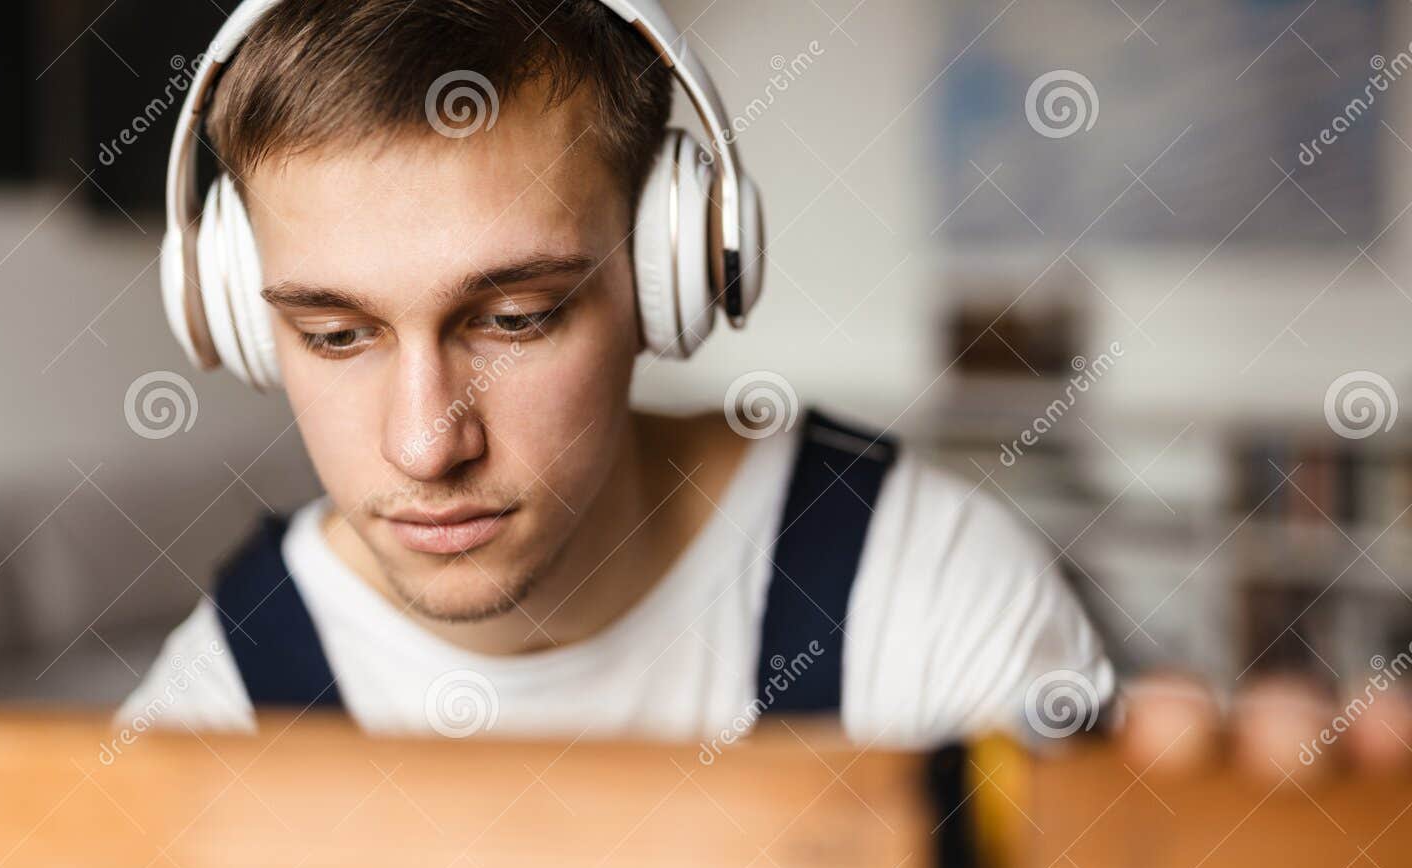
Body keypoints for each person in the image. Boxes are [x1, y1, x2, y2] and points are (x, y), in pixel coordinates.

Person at [123, 0, 1113, 750]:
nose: (426, 442)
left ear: (672, 274)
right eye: (336, 334)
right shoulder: (225, 696)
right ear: (240, 320)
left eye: (515, 318)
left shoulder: (929, 594)